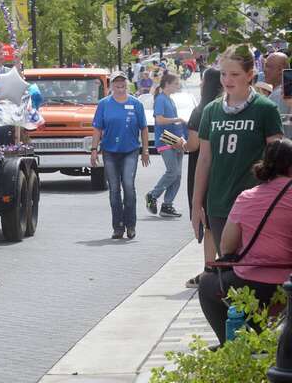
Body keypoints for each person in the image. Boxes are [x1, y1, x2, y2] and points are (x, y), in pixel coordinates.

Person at [192, 44, 285, 257]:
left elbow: (277, 161)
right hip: (219, 203)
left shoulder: (266, 109)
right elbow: (204, 159)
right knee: (227, 264)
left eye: (235, 74)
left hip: (255, 203)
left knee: (250, 265)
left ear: (250, 75)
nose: (227, 80)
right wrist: (196, 204)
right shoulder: (211, 110)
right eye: (224, 74)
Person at [198, 138, 292, 345]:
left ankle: (230, 345)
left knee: (206, 285)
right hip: (287, 285)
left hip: (250, 285)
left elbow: (227, 247)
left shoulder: (247, 197)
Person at [90, 70, 151, 239]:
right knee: (114, 190)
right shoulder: (104, 104)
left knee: (129, 187)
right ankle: (118, 226)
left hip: (130, 151)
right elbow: (97, 129)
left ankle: (130, 225)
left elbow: (144, 128)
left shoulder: (136, 104)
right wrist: (94, 150)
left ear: (127, 84)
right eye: (116, 82)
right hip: (109, 151)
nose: (120, 85)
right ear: (111, 85)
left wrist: (145, 150)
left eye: (122, 82)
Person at [183, 68, 223, 288]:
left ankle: (210, 269)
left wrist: (180, 144)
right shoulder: (223, 108)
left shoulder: (201, 111)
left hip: (202, 168)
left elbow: (193, 144)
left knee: (208, 222)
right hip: (222, 168)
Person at [146, 73, 187, 218]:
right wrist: (177, 119)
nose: (178, 86)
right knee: (172, 172)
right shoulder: (161, 99)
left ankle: (167, 205)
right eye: (176, 83)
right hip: (165, 139)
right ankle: (153, 195)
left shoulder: (170, 99)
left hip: (174, 138)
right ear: (168, 84)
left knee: (178, 175)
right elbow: (159, 120)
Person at [264, 51, 291, 137]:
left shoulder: (279, 93)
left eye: (268, 66)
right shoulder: (279, 91)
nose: (264, 70)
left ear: (280, 70)